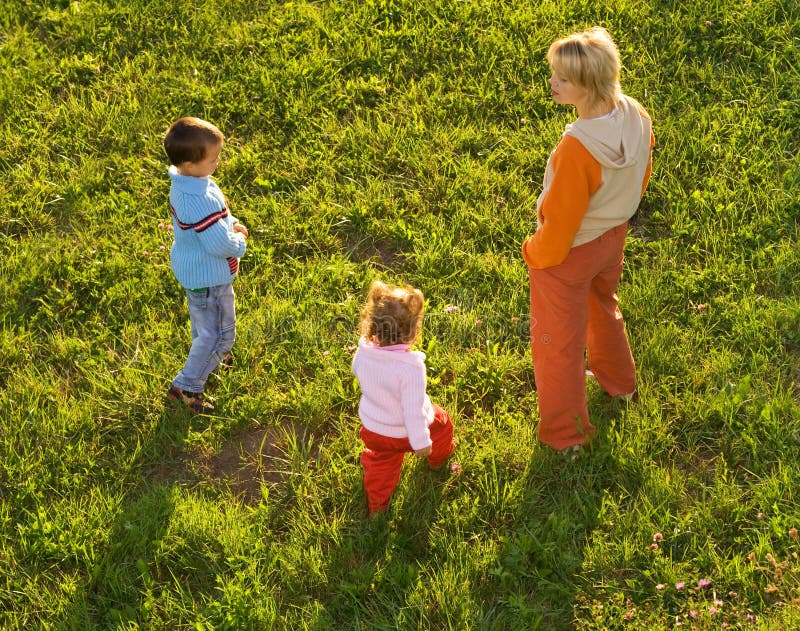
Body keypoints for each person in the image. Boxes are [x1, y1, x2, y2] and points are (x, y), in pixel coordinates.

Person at [522, 27, 655, 451]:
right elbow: (642, 174)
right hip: (612, 237)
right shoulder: (636, 116)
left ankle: (566, 436)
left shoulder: (578, 148)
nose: (553, 82)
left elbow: (560, 226)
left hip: (569, 254)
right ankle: (621, 384)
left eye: (563, 78)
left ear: (590, 84)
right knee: (603, 307)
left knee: (558, 346)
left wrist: (535, 252)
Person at [163, 117, 249, 414]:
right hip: (209, 276)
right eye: (213, 159)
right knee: (219, 335)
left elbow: (219, 214)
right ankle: (187, 386)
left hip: (197, 272)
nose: (217, 163)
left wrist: (232, 222)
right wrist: (239, 241)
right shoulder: (197, 199)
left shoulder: (191, 184)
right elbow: (218, 244)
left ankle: (213, 357)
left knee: (205, 328)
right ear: (189, 164)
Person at [352, 280, 455, 514]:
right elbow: (413, 410)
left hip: (375, 430)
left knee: (381, 465)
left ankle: (377, 506)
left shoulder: (363, 352)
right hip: (406, 434)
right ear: (412, 332)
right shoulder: (410, 368)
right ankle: (438, 461)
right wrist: (421, 443)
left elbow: (356, 370)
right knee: (442, 425)